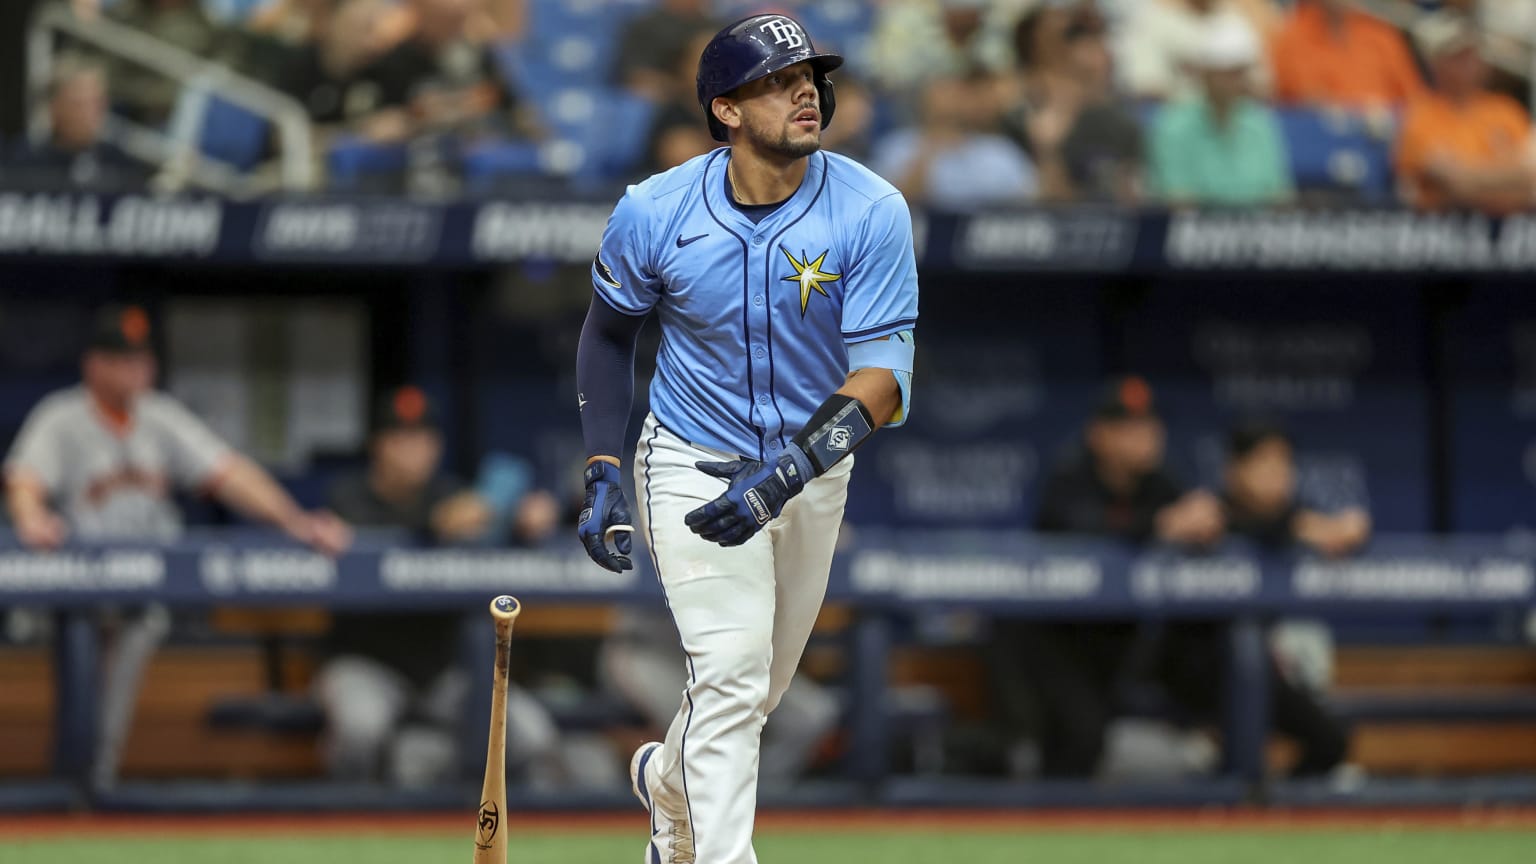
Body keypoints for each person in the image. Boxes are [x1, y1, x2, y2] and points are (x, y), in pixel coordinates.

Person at [575, 13, 917, 863]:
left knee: (757, 691)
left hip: (808, 474)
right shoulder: (655, 210)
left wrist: (789, 473)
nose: (805, 90)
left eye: (810, 75)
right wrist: (602, 468)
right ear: (726, 108)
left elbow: (881, 380)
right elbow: (607, 336)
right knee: (727, 673)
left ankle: (666, 782)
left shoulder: (871, 207)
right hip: (691, 458)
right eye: (776, 79)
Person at [3, 303, 351, 787]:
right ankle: (72, 785)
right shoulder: (62, 416)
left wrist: (294, 521)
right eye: (121, 358)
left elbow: (229, 473)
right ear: (94, 364)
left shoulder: (159, 416)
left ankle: (91, 787)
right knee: (81, 667)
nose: (135, 368)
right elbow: (23, 477)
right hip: (79, 589)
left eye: (141, 358)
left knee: (128, 660)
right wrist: (31, 516)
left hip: (144, 587)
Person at [319, 385, 567, 786]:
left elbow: (487, 516)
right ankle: (343, 830)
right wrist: (438, 521)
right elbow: (427, 521)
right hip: (366, 663)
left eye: (424, 439)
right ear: (378, 446)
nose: (415, 450)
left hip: (444, 669)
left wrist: (523, 521)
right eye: (401, 439)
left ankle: (510, 835)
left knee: (532, 733)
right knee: (360, 730)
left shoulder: (451, 491)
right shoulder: (347, 497)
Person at [998, 376, 1223, 778]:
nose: (1148, 436)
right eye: (1131, 427)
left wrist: (1206, 520)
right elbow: (1078, 526)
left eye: (1151, 425)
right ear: (1099, 435)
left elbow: (1195, 520)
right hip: (1052, 639)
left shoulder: (1162, 480)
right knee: (1079, 737)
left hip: (1115, 641)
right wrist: (1159, 523)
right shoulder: (1071, 474)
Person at [1153, 419, 1357, 781]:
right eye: (1263, 464)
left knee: (1331, 741)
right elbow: (1240, 526)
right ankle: (1220, 800)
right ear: (1234, 470)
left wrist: (1341, 529)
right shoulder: (1206, 511)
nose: (1276, 476)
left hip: (1256, 670)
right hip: (1193, 668)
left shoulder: (1290, 517)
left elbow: (1330, 528)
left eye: (1283, 464)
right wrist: (1302, 529)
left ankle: (1277, 813)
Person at [1395, 11, 1535, 214]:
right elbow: (1452, 181)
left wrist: (1471, 178)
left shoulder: (1506, 109)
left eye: (1474, 54)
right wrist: (1506, 183)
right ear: (1436, 63)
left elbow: (1530, 176)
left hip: (1509, 238)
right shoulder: (1420, 114)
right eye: (1458, 57)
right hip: (1441, 239)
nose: (1470, 64)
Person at [1149, 16, 1293, 207]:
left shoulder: (1260, 123)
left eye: (1241, 73)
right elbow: (1177, 201)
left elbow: (1279, 198)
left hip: (1258, 230)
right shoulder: (1173, 126)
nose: (1238, 82)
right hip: (1194, 231)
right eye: (1229, 73)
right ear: (1206, 75)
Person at [1003, 12, 1144, 204]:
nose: (1095, 56)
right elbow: (1042, 202)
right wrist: (1048, 152)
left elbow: (1129, 202)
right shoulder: (1020, 114)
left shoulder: (1117, 120)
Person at [871, 72, 1038, 208]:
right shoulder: (896, 147)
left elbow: (1034, 202)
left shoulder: (999, 151)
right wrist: (929, 151)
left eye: (956, 91)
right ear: (922, 98)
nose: (949, 98)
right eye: (941, 89)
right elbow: (885, 209)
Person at [5, 59, 152, 192]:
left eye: (96, 103)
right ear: (55, 107)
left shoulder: (120, 163)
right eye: (79, 104)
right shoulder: (23, 161)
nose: (90, 114)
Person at [1269, 0, 1423, 113]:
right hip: (1320, 139)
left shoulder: (1382, 37)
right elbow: (1288, 101)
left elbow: (1413, 102)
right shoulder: (1291, 38)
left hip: (1383, 138)